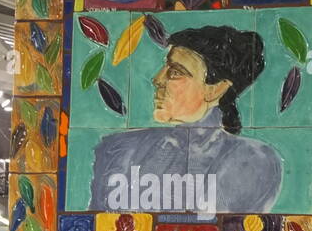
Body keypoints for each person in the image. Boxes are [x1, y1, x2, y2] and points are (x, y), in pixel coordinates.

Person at [87, 26, 280, 214]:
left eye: (175, 72)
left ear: (216, 89)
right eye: (165, 68)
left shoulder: (252, 160)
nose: (157, 79)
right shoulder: (116, 148)